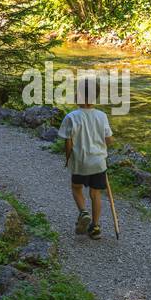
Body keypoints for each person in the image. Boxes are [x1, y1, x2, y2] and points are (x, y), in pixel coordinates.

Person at [58, 76, 114, 239]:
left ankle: (83, 212)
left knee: (76, 188)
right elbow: (109, 140)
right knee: (95, 194)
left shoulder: (71, 117)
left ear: (78, 96)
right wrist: (107, 140)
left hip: (81, 162)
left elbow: (68, 143)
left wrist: (68, 159)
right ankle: (95, 227)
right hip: (98, 163)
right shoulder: (101, 116)